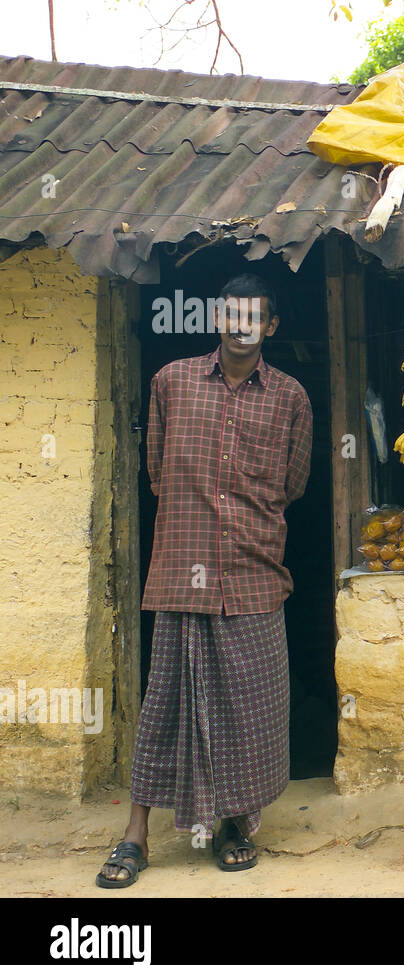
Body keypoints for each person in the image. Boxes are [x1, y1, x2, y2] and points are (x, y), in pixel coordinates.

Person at [97, 273, 313, 888]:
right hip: (182, 570)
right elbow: (158, 474)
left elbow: (294, 485)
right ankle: (135, 834)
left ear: (270, 326)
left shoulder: (291, 397)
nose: (240, 325)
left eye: (254, 317)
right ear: (217, 319)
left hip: (254, 571)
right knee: (166, 703)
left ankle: (232, 824)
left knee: (252, 708)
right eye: (230, 314)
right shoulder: (171, 381)